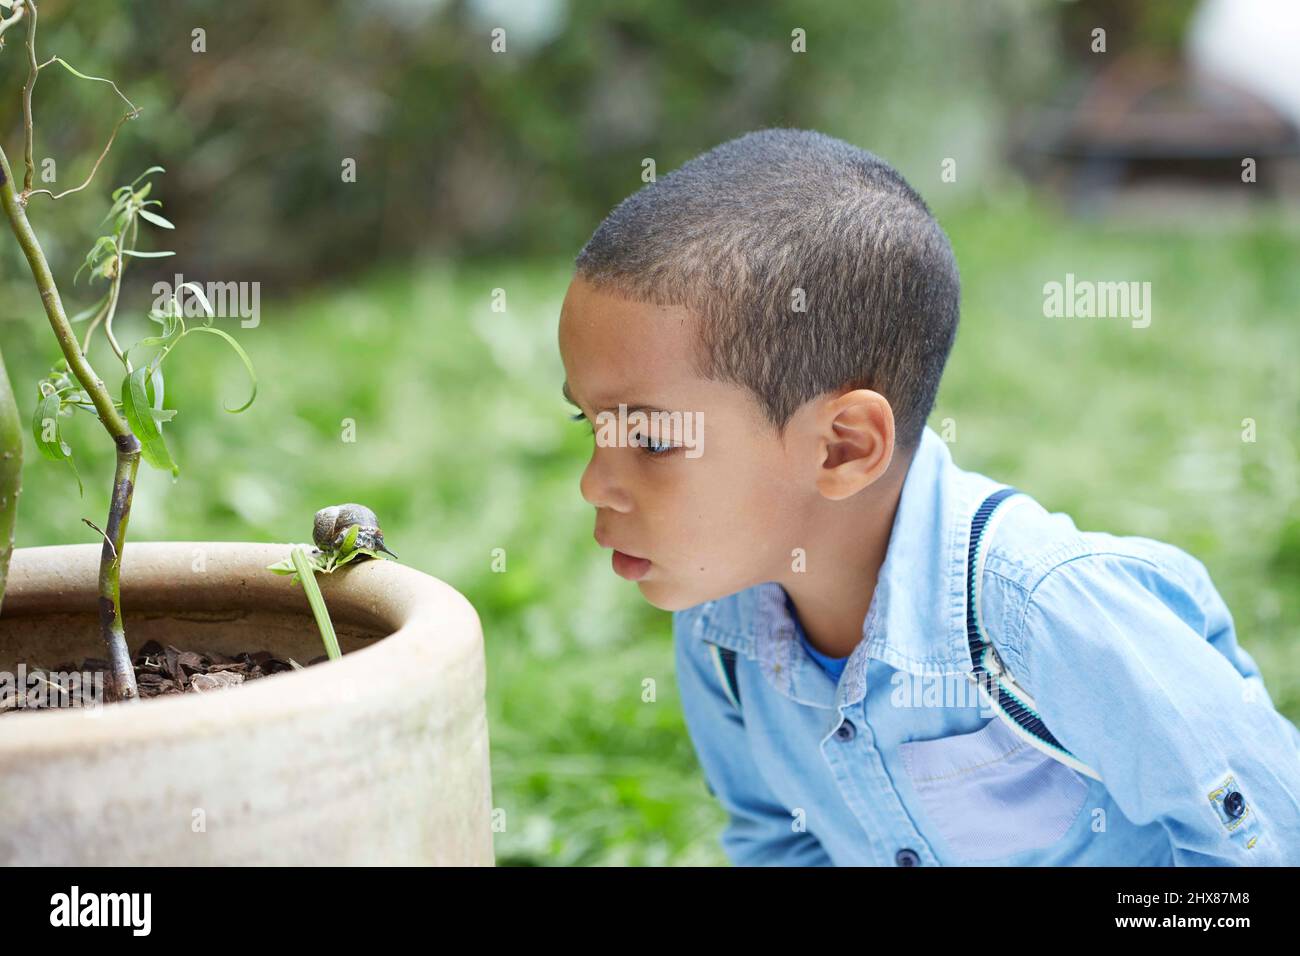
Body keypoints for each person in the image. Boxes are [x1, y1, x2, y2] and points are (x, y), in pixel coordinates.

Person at [556, 128, 1300, 865]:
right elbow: (778, 841)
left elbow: (1268, 843)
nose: (594, 484)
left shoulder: (1043, 613)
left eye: (652, 440)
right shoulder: (722, 635)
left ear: (845, 447)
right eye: (589, 422)